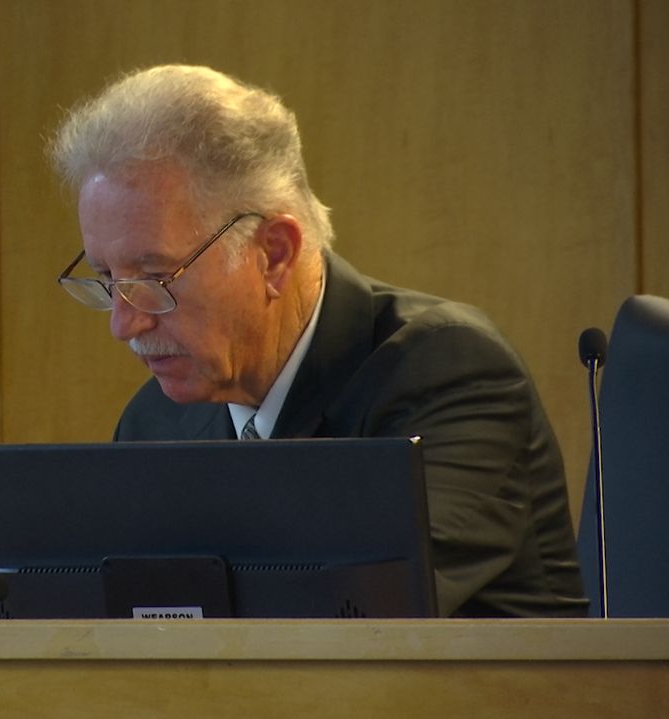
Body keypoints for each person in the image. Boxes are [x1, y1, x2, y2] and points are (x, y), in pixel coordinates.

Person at [49, 64, 587, 618]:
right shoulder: (156, 425)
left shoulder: (448, 372)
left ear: (274, 253)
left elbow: (361, 610)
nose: (124, 324)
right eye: (108, 281)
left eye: (154, 278)